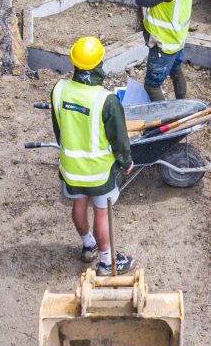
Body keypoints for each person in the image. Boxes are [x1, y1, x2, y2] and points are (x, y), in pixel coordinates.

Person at [52, 36, 135, 274]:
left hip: (71, 167)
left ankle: (88, 246)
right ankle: (107, 263)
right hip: (99, 172)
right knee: (101, 212)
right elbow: (120, 139)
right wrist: (126, 162)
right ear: (99, 63)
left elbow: (58, 129)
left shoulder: (59, 91)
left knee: (79, 204)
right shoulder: (105, 100)